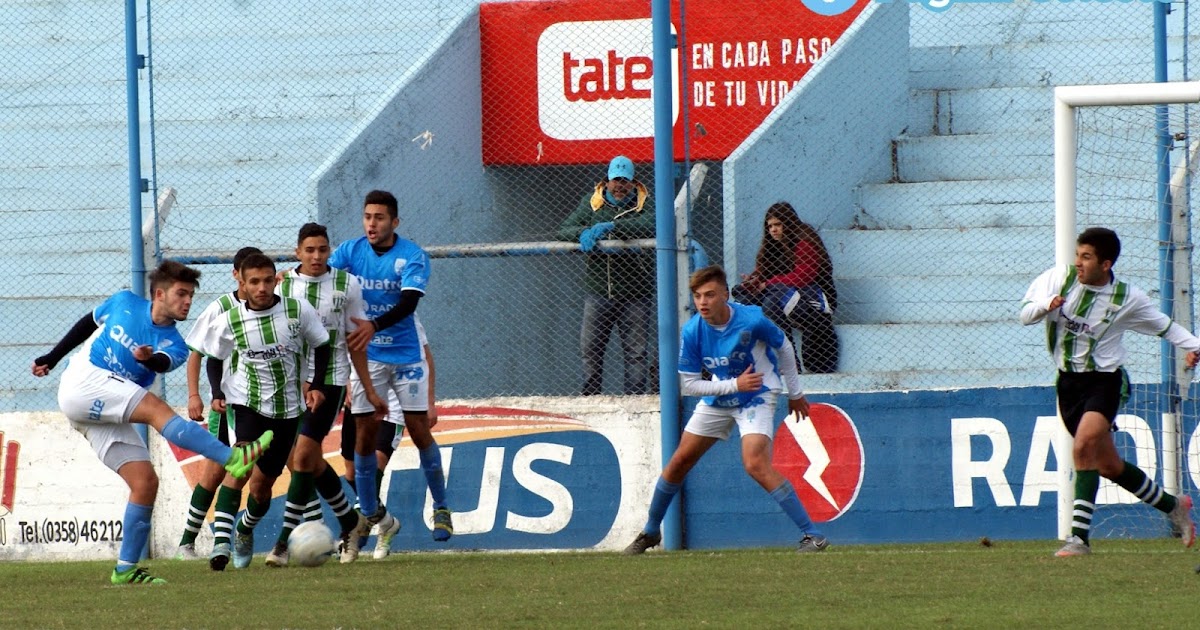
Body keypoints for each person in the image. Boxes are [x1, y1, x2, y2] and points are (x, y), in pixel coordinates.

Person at [30, 261, 273, 585]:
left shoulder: (175, 343)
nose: (187, 301)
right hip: (84, 382)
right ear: (159, 294)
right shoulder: (124, 302)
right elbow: (87, 323)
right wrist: (52, 357)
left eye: (190, 295)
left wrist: (148, 359)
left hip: (100, 411)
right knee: (157, 409)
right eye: (181, 294)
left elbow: (161, 362)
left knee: (145, 483)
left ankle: (125, 569)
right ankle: (232, 457)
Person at [624, 265, 828, 555]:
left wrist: (795, 393)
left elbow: (784, 346)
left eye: (709, 295)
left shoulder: (751, 319)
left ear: (725, 295)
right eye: (697, 296)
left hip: (757, 393)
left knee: (754, 464)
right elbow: (691, 385)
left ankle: (813, 535)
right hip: (723, 393)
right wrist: (734, 384)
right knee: (679, 461)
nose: (702, 302)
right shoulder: (692, 330)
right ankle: (650, 531)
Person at [1020, 227, 1199, 556]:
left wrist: (1194, 346)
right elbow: (1025, 315)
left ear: (1106, 264)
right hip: (1068, 384)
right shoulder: (1059, 278)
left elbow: (1165, 326)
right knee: (1108, 466)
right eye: (1078, 255)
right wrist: (1046, 305)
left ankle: (1078, 539)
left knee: (1083, 445)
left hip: (1105, 382)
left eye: (1086, 257)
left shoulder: (1127, 298)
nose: (1078, 262)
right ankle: (1174, 506)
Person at [185, 253, 331, 570]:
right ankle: (220, 544)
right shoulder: (229, 318)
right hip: (247, 405)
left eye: (267, 280)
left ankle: (244, 528)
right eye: (254, 282)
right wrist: (216, 393)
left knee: (262, 488)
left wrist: (317, 385)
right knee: (239, 467)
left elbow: (322, 345)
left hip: (288, 411)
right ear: (243, 282)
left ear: (275, 279)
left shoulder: (297, 310)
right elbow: (213, 358)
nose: (261, 288)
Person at [330, 189, 451, 560]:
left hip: (405, 356)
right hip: (368, 360)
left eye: (379, 217)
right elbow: (322, 276)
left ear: (394, 222)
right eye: (368, 216)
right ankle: (369, 513)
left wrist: (374, 325)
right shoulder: (349, 252)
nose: (372, 223)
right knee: (363, 436)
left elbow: (409, 302)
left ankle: (441, 507)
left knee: (418, 428)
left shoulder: (412, 256)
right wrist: (293, 277)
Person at [262, 223, 388, 567]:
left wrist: (366, 387)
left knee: (303, 456)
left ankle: (282, 544)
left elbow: (356, 342)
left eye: (322, 249)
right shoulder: (283, 285)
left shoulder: (347, 285)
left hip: (329, 379)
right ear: (297, 252)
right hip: (289, 382)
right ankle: (349, 522)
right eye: (310, 250)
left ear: (330, 251)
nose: (316, 256)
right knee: (309, 459)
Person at [175, 246, 262, 560]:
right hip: (227, 407)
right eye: (248, 275)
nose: (256, 284)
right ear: (237, 274)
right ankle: (189, 542)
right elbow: (197, 352)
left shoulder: (275, 306)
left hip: (266, 404)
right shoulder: (221, 308)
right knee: (216, 473)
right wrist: (195, 395)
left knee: (260, 473)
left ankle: (241, 534)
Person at [557, 155, 656, 395]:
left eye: (625, 181)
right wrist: (583, 232)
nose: (619, 186)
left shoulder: (645, 202)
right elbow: (564, 229)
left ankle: (635, 401)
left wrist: (614, 227)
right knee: (590, 349)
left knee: (636, 353)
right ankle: (592, 398)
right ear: (607, 180)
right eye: (615, 180)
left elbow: (652, 224)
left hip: (636, 293)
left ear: (633, 182)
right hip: (599, 291)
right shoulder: (593, 202)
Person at [339, 316, 437, 559]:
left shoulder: (405, 316)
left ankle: (354, 534)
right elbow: (341, 354)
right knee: (351, 474)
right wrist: (347, 385)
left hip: (392, 407)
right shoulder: (351, 313)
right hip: (359, 402)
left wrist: (429, 402)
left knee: (374, 468)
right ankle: (386, 522)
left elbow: (426, 358)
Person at [732, 202, 839, 374]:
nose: (773, 230)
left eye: (778, 224)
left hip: (816, 298)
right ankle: (746, 361)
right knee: (742, 299)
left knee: (772, 302)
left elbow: (804, 276)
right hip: (787, 293)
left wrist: (768, 284)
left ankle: (791, 363)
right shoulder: (773, 246)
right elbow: (766, 273)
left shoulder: (804, 240)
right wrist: (753, 282)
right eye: (770, 226)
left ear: (788, 223)